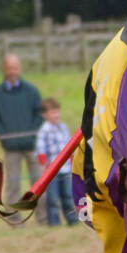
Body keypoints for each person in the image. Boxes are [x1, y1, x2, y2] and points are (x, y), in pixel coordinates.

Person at [0, 55, 43, 208]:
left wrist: (33, 134)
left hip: (32, 146)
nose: (12, 72)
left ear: (20, 69)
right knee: (12, 185)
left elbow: (40, 114)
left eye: (15, 68)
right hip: (11, 149)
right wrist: (5, 137)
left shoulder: (31, 91)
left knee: (39, 183)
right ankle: (14, 221)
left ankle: (43, 217)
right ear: (4, 69)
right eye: (9, 68)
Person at [35, 97, 78, 227]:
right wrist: (44, 165)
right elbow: (40, 149)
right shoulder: (44, 130)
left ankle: (72, 219)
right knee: (53, 198)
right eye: (52, 112)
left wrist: (72, 162)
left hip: (65, 169)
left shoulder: (63, 127)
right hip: (52, 171)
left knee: (68, 196)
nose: (56, 115)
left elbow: (69, 146)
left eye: (57, 111)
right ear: (45, 115)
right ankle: (54, 222)